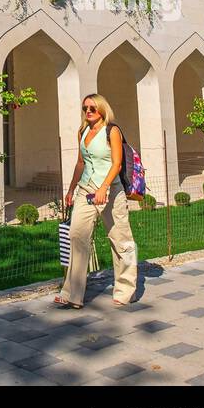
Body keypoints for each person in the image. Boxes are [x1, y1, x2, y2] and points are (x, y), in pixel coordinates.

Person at [54, 93, 138, 309]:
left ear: (102, 109)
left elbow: (117, 164)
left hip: (111, 191)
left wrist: (104, 188)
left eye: (92, 108)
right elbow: (81, 163)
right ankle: (73, 292)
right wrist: (71, 189)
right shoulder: (82, 132)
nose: (88, 112)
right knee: (76, 236)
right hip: (86, 189)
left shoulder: (113, 131)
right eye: (85, 108)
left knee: (121, 240)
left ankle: (126, 288)